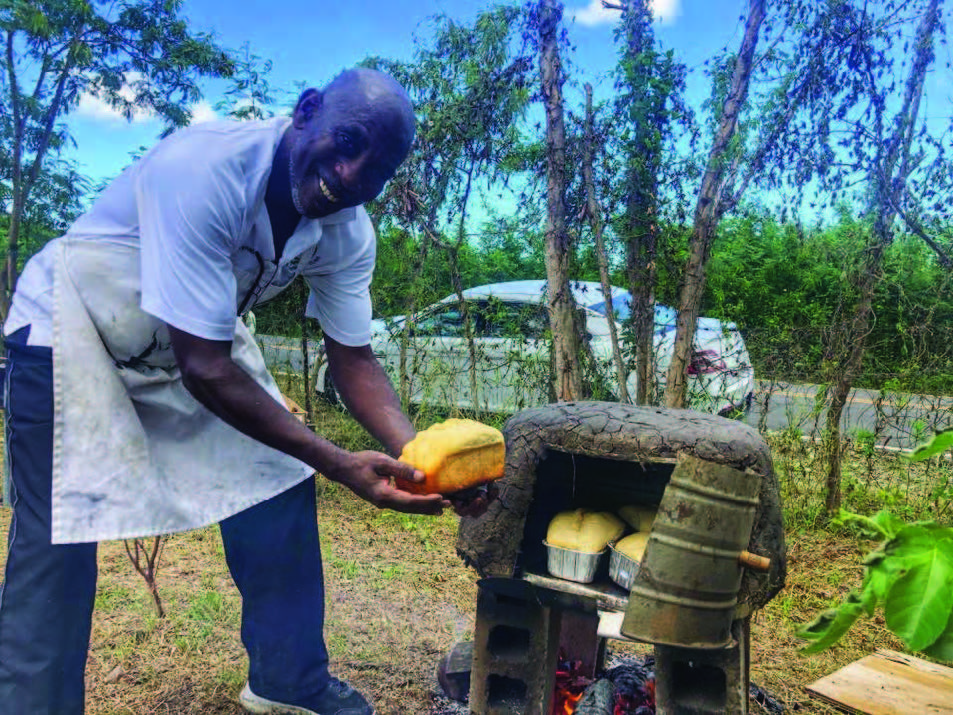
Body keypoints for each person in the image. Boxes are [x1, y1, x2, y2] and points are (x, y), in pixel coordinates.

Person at [0, 67, 488, 715]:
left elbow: (355, 360)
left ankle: (288, 679)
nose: (351, 176)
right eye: (346, 144)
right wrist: (338, 461)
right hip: (74, 328)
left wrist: (425, 457)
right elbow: (205, 366)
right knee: (58, 532)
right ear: (306, 109)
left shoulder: (347, 230)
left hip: (189, 339)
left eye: (376, 170)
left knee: (280, 473)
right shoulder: (204, 168)